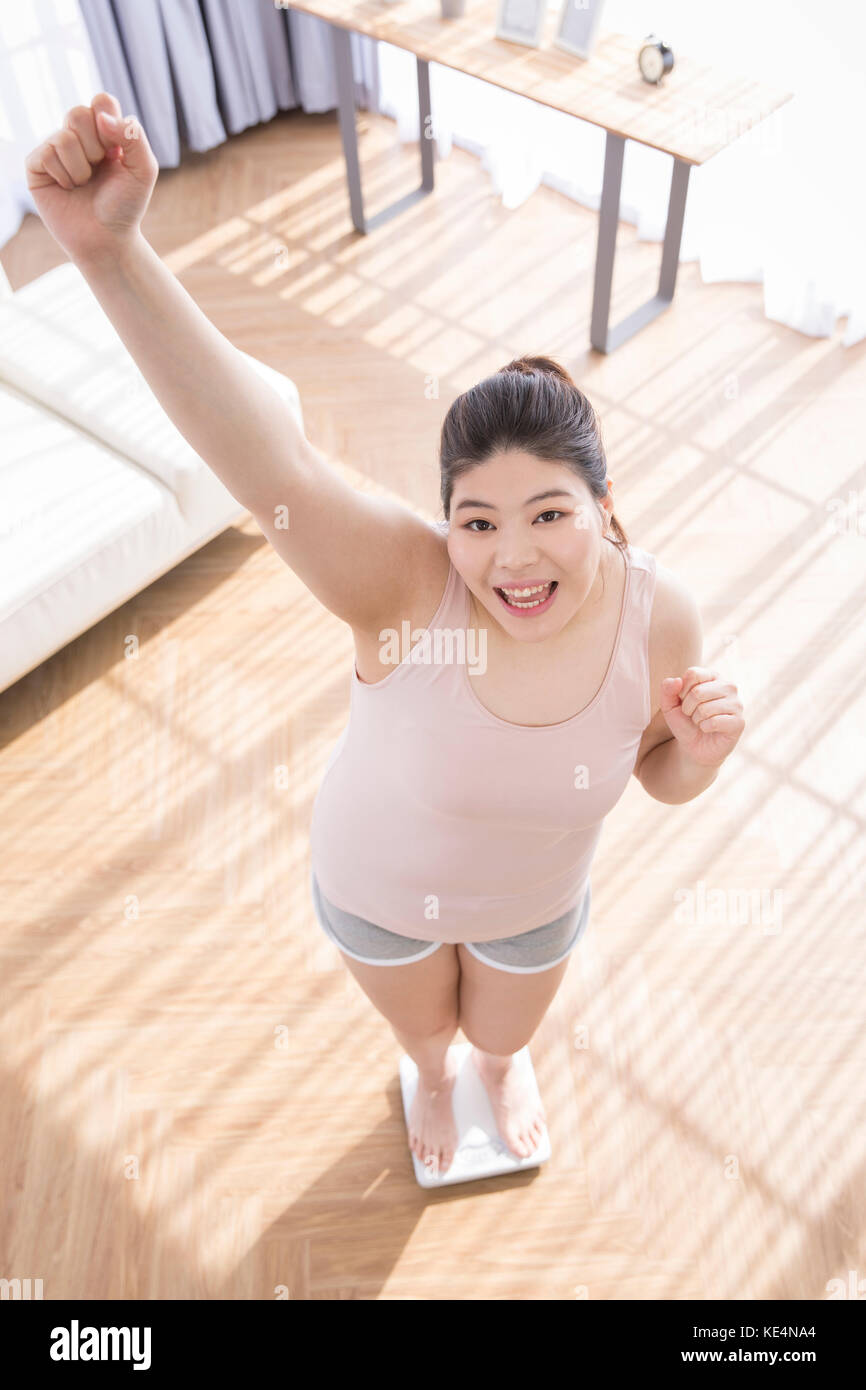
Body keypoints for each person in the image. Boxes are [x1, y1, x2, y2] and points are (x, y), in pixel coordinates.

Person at [25, 93, 745, 1179]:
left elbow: (652, 771)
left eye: (548, 514)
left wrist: (693, 751)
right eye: (477, 522)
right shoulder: (409, 588)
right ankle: (433, 1076)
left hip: (534, 904)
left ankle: (496, 1072)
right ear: (442, 523)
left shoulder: (663, 613)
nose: (512, 560)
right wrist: (110, 251)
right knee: (423, 1034)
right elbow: (278, 461)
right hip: (375, 886)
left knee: (502, 1035)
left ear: (603, 504)